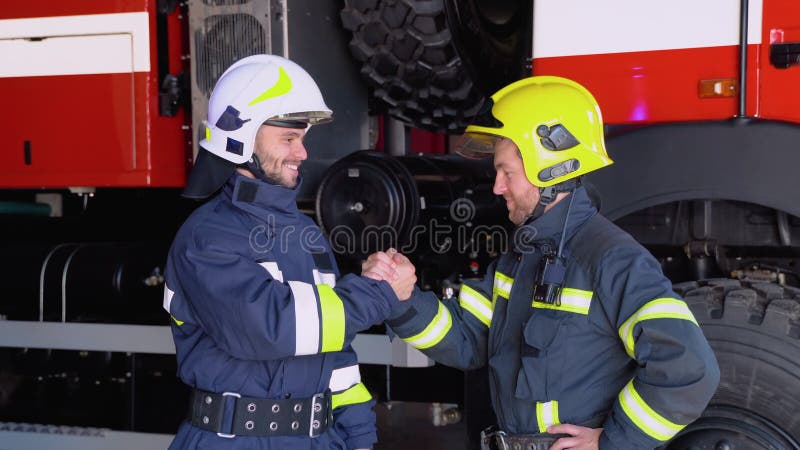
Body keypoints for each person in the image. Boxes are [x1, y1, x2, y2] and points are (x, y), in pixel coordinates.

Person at [366, 76, 720, 449]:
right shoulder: (519, 258)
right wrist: (402, 297)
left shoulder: (613, 260)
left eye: (507, 173)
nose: (497, 187)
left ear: (552, 170)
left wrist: (612, 442)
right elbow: (466, 338)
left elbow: (689, 370)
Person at [162, 54, 416, 450]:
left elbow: (333, 348)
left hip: (317, 439)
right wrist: (377, 292)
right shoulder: (207, 238)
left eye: (302, 139)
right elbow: (272, 329)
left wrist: (359, 436)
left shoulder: (305, 234)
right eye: (288, 139)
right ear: (241, 137)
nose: (302, 153)